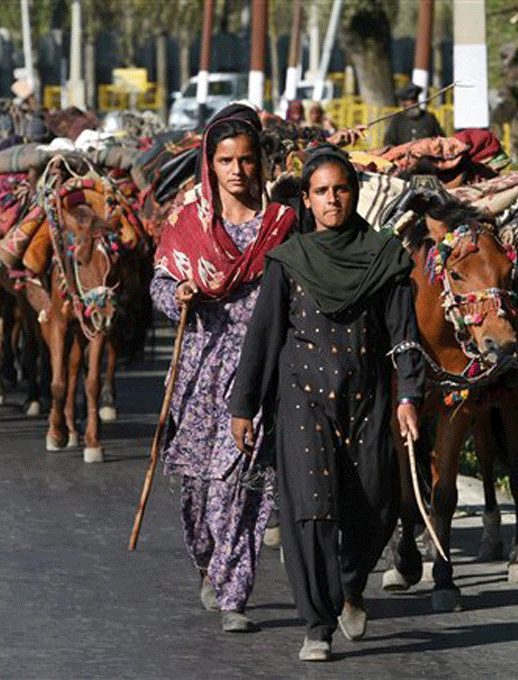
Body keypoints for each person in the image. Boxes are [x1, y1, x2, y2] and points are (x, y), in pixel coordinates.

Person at [229, 146, 424, 661]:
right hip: (303, 398)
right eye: (321, 191)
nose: (332, 199)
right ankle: (317, 625)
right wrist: (244, 406)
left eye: (341, 189)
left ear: (354, 193)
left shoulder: (384, 256)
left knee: (377, 503)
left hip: (368, 398)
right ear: (307, 200)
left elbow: (404, 334)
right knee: (311, 511)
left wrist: (408, 395)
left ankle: (349, 585)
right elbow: (264, 335)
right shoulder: (288, 260)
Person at [150, 103, 297, 633]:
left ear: (260, 163)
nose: (238, 170)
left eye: (247, 159)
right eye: (226, 160)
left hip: (256, 373)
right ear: (210, 165)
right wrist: (178, 295)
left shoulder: (282, 225)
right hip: (199, 370)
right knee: (196, 490)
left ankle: (234, 592)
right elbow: (160, 283)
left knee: (239, 484)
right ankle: (208, 562)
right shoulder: (188, 222)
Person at [383, 82, 444, 148]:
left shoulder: (429, 118)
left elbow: (441, 139)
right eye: (408, 101)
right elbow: (388, 142)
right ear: (404, 103)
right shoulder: (397, 120)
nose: (411, 103)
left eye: (414, 100)